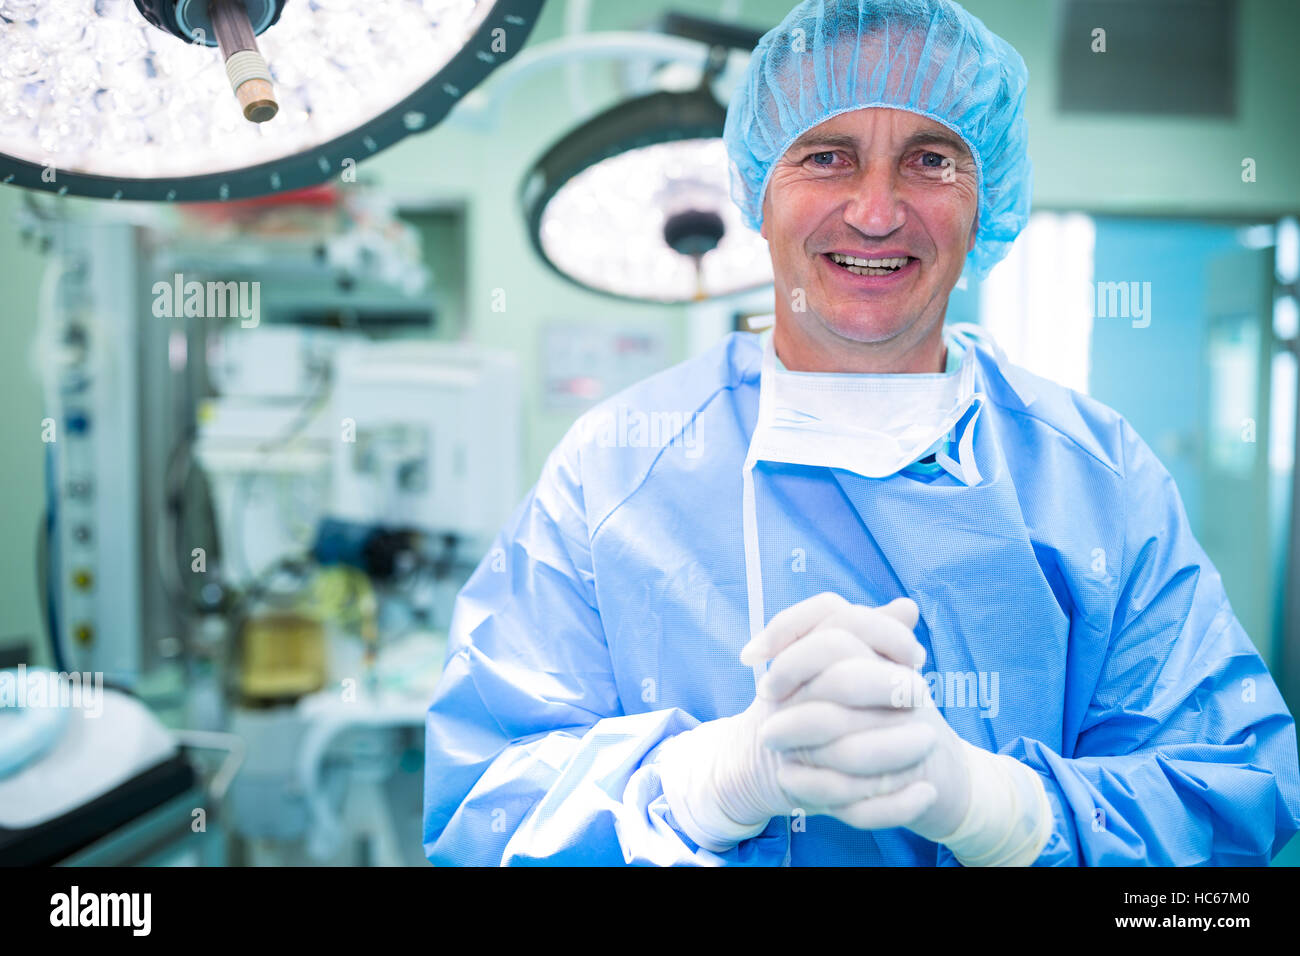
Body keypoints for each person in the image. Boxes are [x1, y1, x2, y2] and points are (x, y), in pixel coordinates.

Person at [422, 0, 1300, 865]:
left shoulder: (1096, 477)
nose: (876, 212)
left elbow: (1232, 797)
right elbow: (481, 808)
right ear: (757, 193)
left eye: (930, 159)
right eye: (827, 156)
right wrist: (699, 786)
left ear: (984, 200)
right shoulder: (615, 471)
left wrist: (1011, 814)